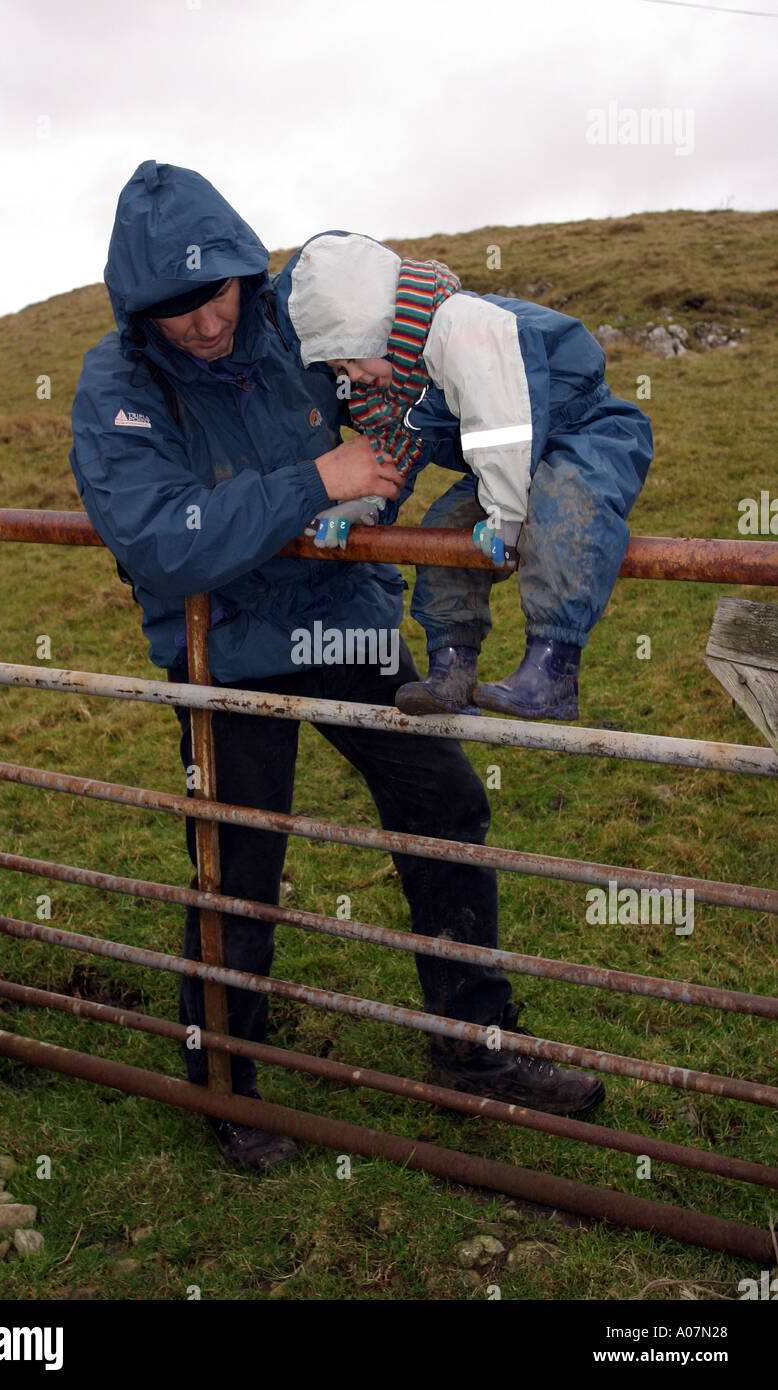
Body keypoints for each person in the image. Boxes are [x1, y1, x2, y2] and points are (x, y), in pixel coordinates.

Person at [69, 161, 605, 1172]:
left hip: (345, 625)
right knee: (237, 863)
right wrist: (312, 482)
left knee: (444, 807)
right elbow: (159, 539)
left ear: (241, 268)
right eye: (174, 308)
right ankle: (227, 1080)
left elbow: (396, 414)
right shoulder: (119, 385)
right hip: (222, 647)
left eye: (217, 291)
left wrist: (386, 476)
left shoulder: (301, 321)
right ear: (138, 308)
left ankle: (473, 1052)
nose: (204, 322)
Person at [275, 231, 654, 721]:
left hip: (584, 433)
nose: (354, 377)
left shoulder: (462, 327)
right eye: (340, 367)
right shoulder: (401, 380)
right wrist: (360, 506)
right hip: (513, 465)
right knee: (446, 529)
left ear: (381, 327)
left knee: (566, 509)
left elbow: (503, 423)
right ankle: (451, 671)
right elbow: (395, 450)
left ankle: (553, 665)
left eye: (351, 358)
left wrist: (506, 516)